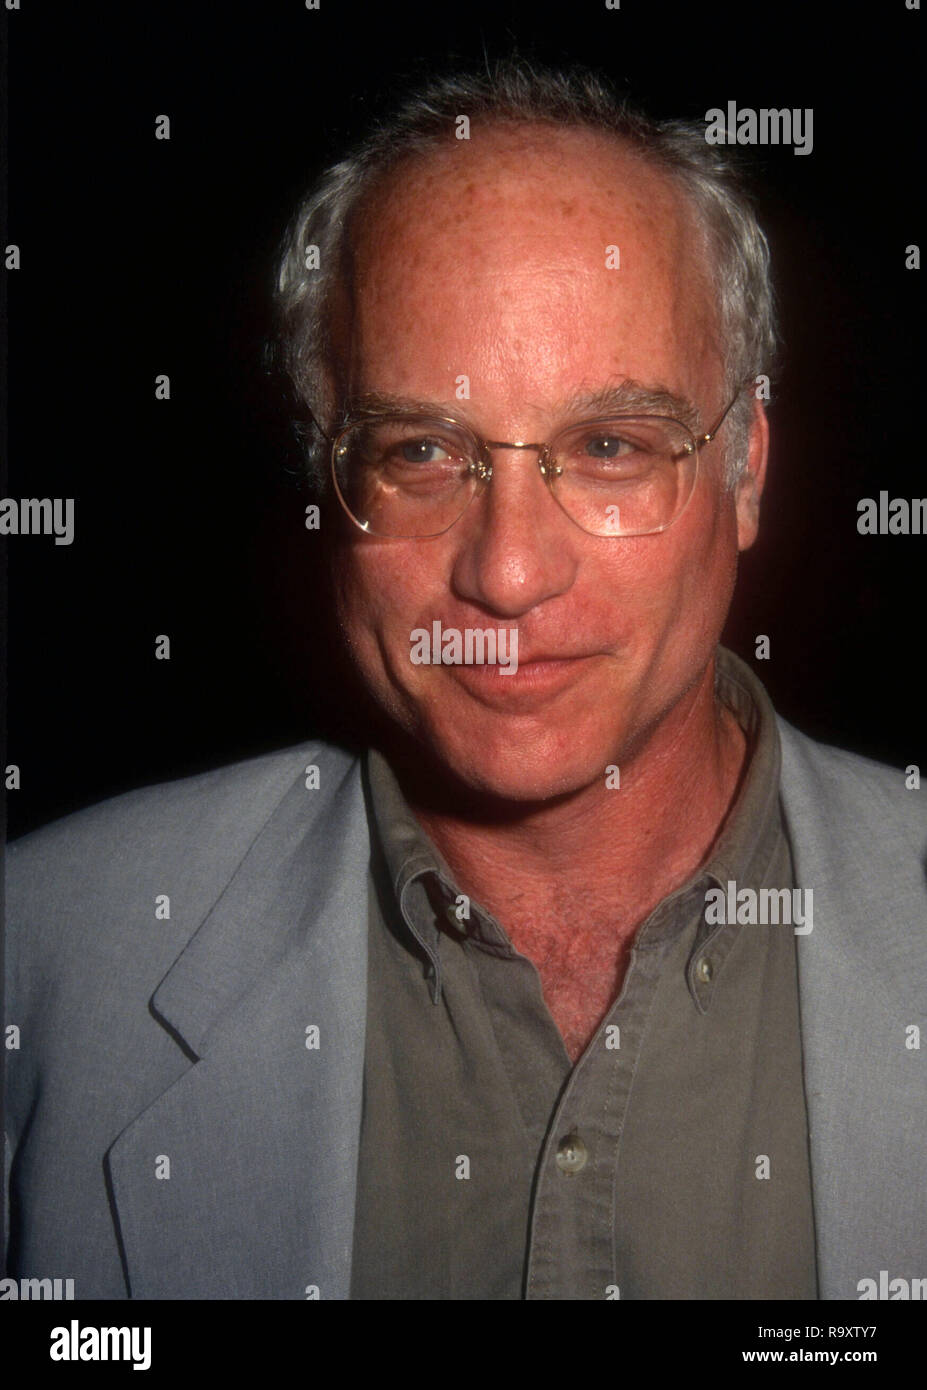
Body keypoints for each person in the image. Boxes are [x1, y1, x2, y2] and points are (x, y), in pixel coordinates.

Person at [5, 61, 925, 1302]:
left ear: (746, 472)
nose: (507, 572)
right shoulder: (49, 954)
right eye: (421, 452)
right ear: (327, 483)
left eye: (609, 447)